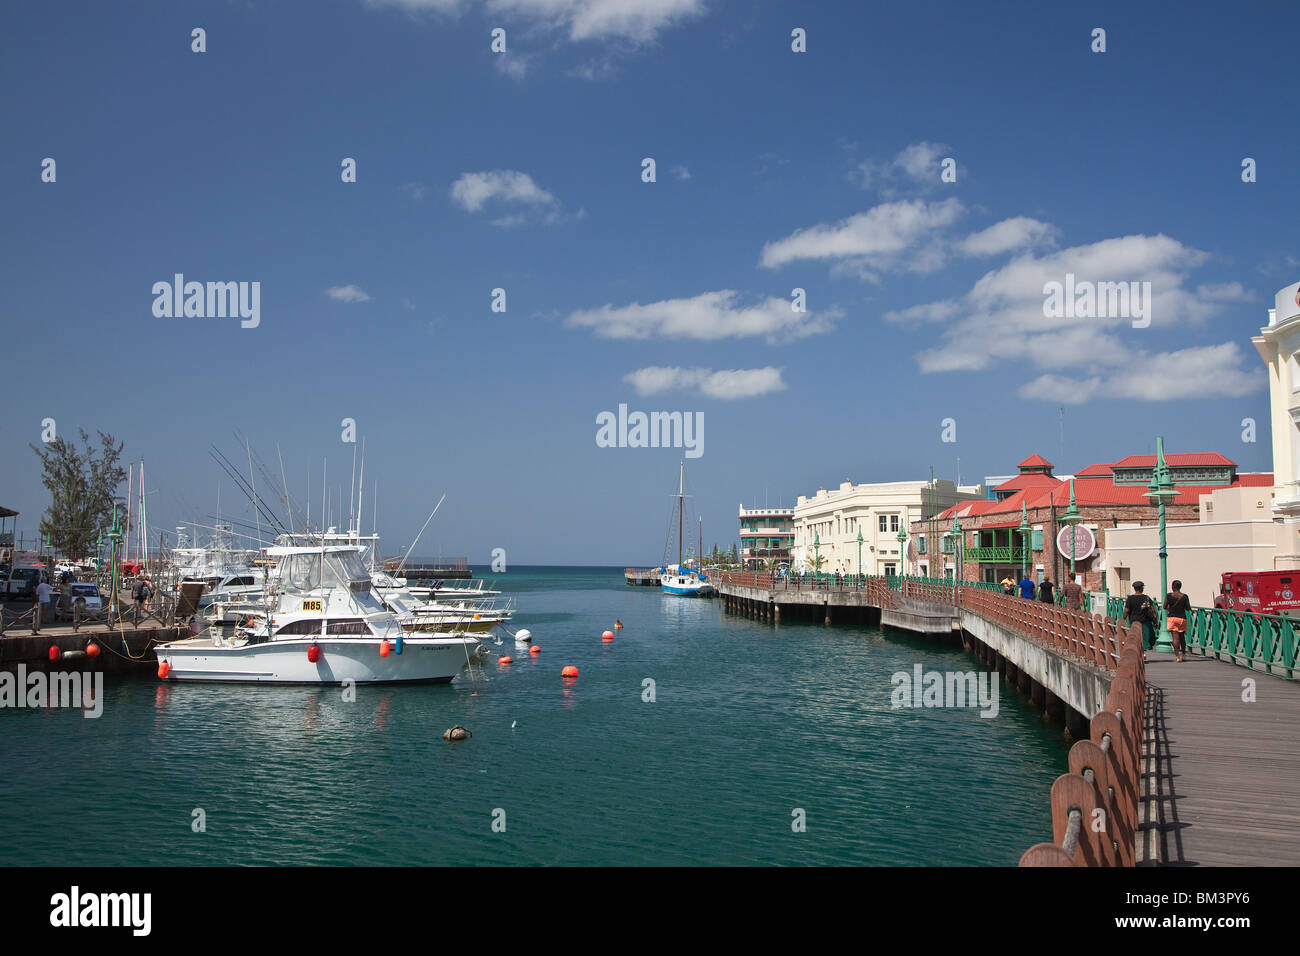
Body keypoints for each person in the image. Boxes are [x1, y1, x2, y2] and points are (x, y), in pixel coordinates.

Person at [1123, 581, 1158, 660]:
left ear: (1134, 588)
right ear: (1141, 588)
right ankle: (1143, 653)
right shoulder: (1146, 598)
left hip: (1134, 622)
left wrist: (1123, 619)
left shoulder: (1130, 598)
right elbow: (1152, 610)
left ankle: (1140, 653)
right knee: (1146, 638)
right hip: (1145, 621)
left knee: (1136, 638)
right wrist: (1155, 621)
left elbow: (1126, 610)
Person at [1164, 580, 1191, 663]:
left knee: (1175, 638)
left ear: (1173, 586)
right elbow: (1188, 608)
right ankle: (1183, 654)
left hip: (1172, 618)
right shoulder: (1184, 596)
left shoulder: (1169, 596)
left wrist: (1170, 608)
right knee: (1182, 637)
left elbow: (1165, 606)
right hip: (1182, 618)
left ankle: (1177, 656)